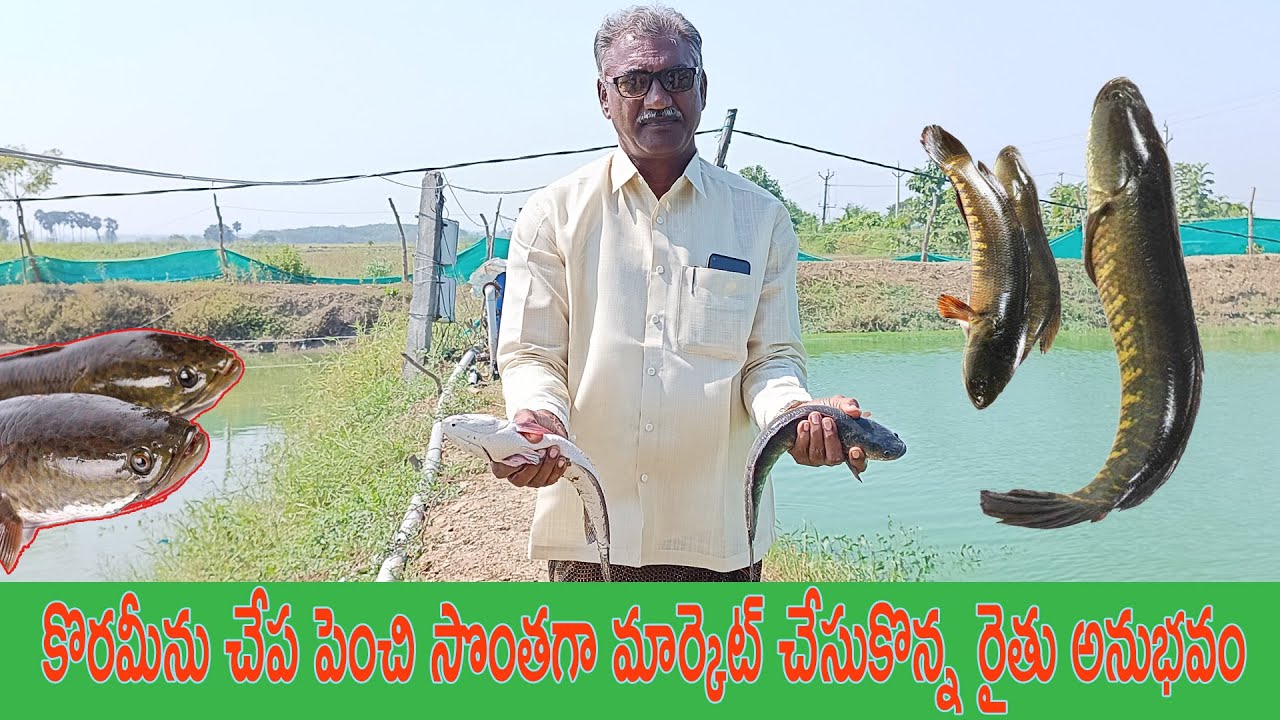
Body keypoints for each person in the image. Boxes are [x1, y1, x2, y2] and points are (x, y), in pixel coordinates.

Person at [493, 4, 870, 582]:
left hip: (718, 537)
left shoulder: (760, 219)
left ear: (702, 86)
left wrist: (796, 417)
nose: (658, 99)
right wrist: (540, 420)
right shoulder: (554, 214)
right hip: (591, 532)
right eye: (634, 82)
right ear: (603, 96)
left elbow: (771, 361)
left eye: (675, 78)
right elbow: (532, 354)